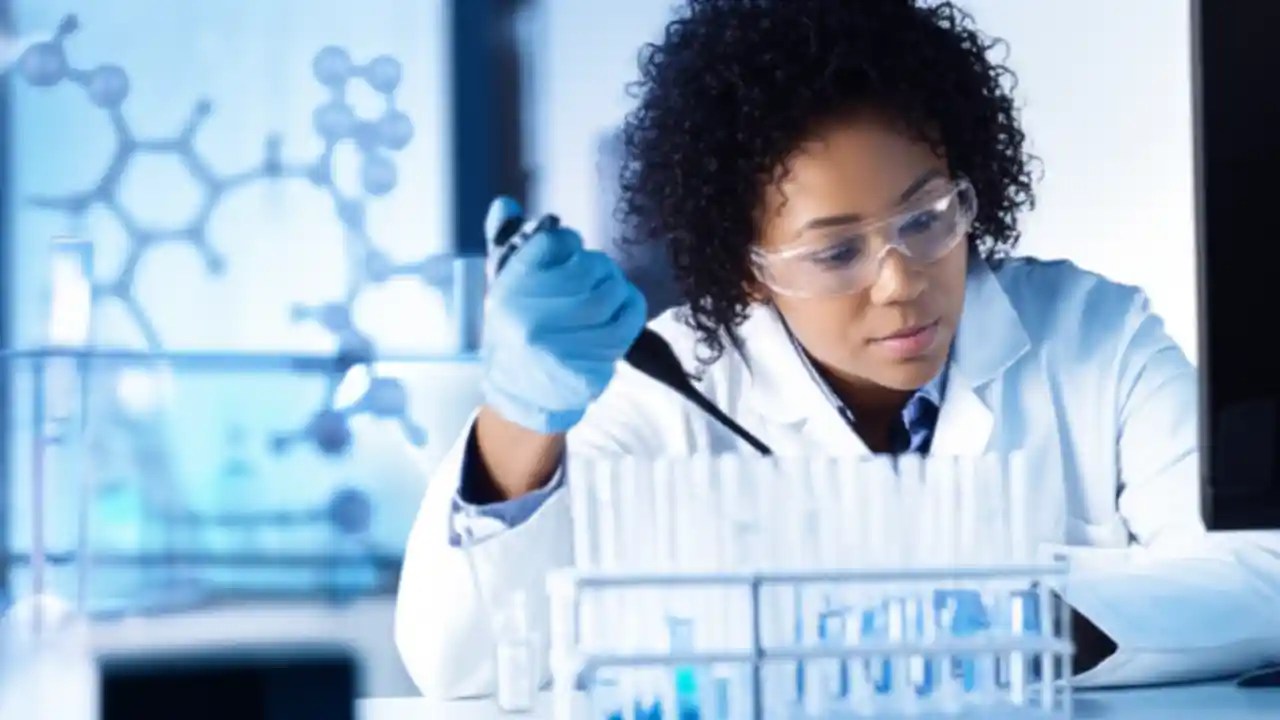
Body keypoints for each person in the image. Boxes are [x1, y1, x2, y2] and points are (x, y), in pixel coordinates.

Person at [397, 0, 1280, 699]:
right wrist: (519, 420)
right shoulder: (665, 385)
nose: (900, 281)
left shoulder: (1094, 336)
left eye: (928, 218)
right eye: (835, 251)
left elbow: (1264, 571)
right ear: (746, 271)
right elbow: (463, 664)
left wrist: (1028, 618)